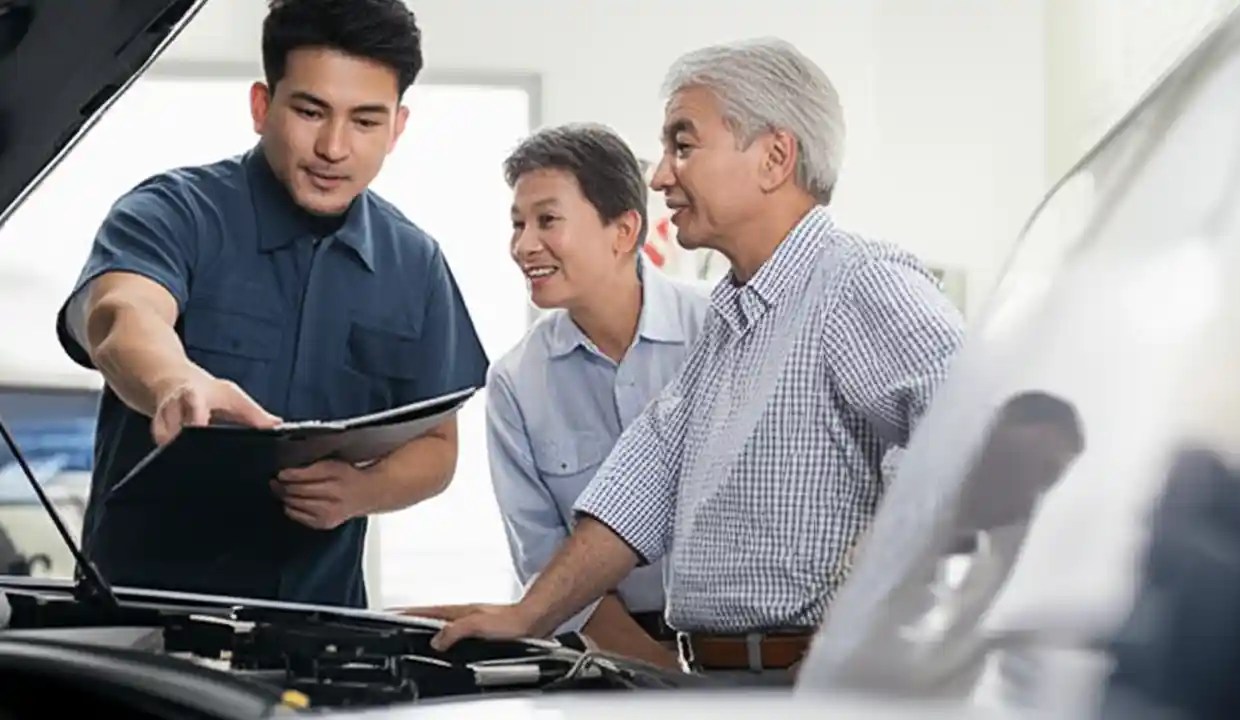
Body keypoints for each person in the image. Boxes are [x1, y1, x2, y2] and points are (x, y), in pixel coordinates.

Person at [401, 37, 966, 682]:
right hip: (722, 679)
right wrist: (528, 615)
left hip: (813, 681)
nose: (661, 174)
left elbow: (989, 436)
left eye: (683, 144)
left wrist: (896, 588)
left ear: (775, 156)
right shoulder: (731, 320)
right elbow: (643, 486)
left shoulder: (857, 282)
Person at [54, 0, 488, 608]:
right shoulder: (175, 211)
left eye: (366, 121)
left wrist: (365, 492)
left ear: (398, 128)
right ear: (262, 106)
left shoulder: (416, 265)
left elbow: (438, 449)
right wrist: (176, 383)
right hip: (138, 623)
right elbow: (120, 317)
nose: (334, 147)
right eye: (311, 112)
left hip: (319, 631)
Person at [486, 123, 709, 669]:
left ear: (624, 230)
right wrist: (663, 685)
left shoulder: (716, 331)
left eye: (547, 220)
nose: (523, 246)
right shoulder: (516, 383)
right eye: (517, 224)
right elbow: (546, 563)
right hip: (609, 666)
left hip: (742, 656)